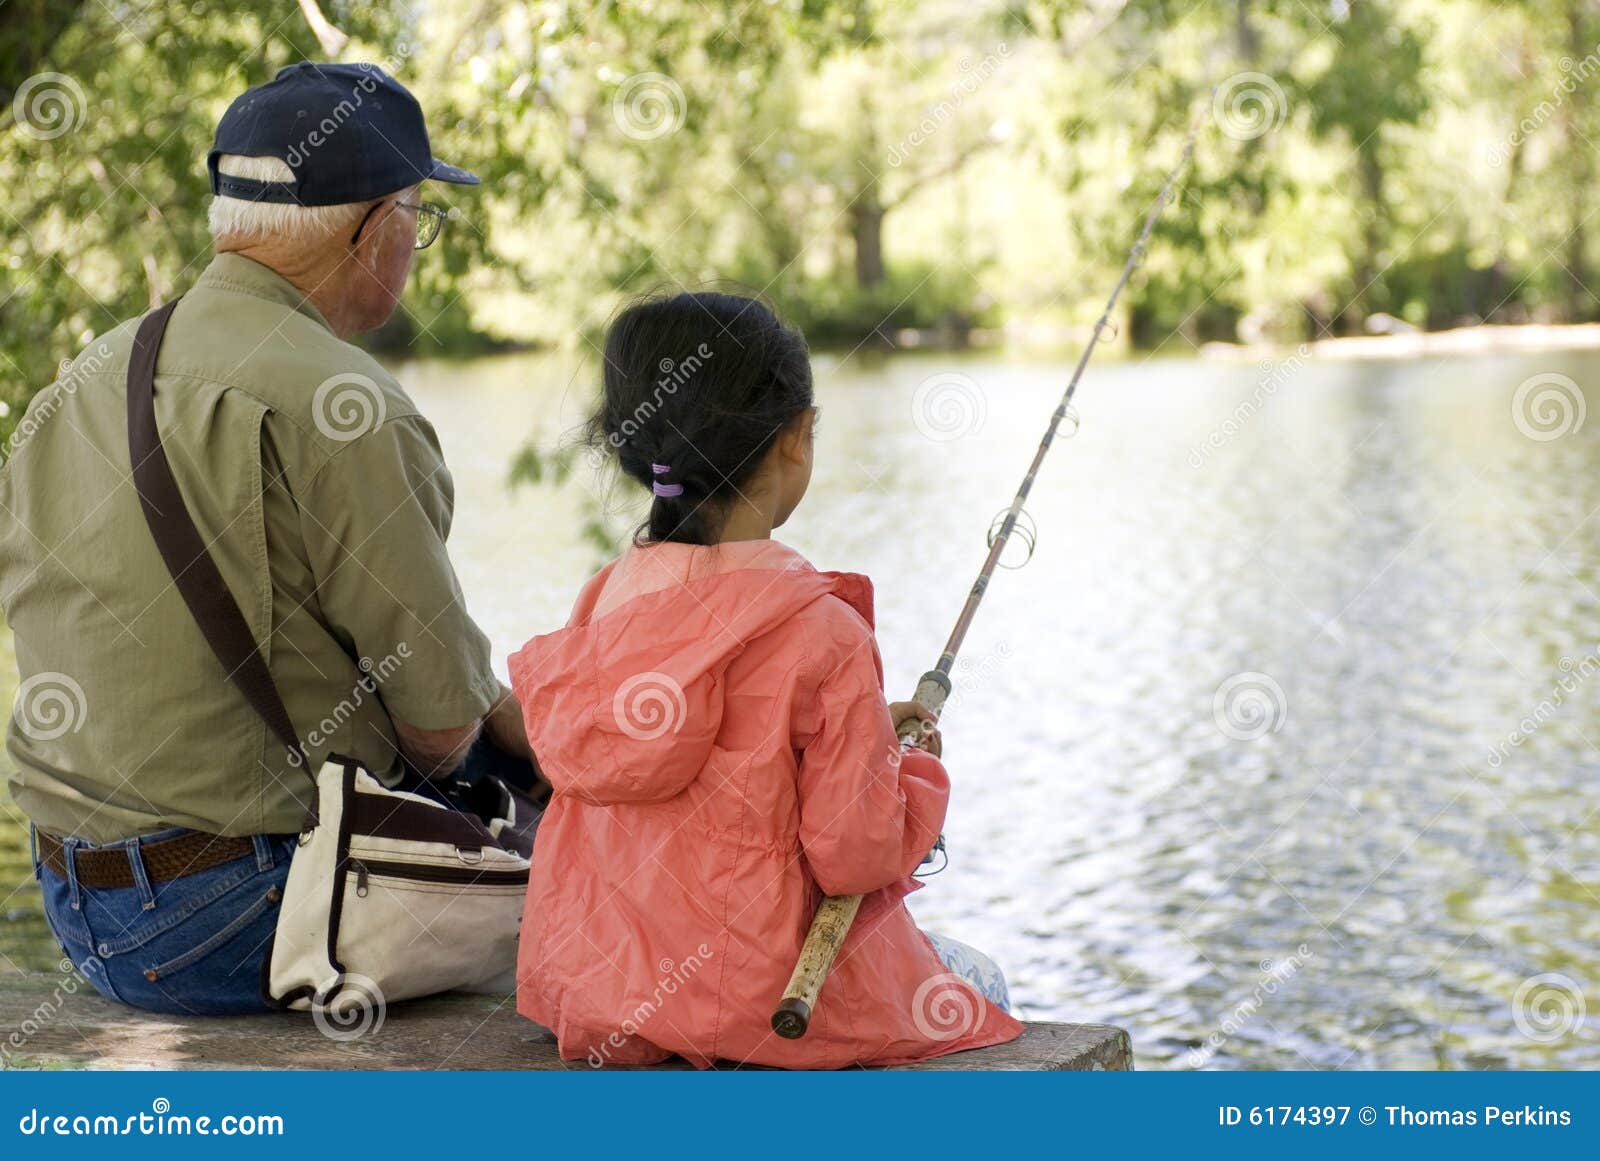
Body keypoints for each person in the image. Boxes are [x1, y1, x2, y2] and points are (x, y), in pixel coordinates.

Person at [0, 63, 539, 1016]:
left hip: (79, 911)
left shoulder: (80, 383)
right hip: (239, 916)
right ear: (377, 228)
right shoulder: (350, 406)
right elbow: (441, 730)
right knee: (611, 885)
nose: (418, 240)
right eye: (420, 214)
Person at [508, 292, 1023, 1067]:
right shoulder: (824, 632)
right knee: (982, 980)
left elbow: (705, 738)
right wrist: (912, 773)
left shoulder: (606, 600)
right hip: (761, 1007)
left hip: (598, 992)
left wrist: (862, 730)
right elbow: (855, 852)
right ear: (796, 437)